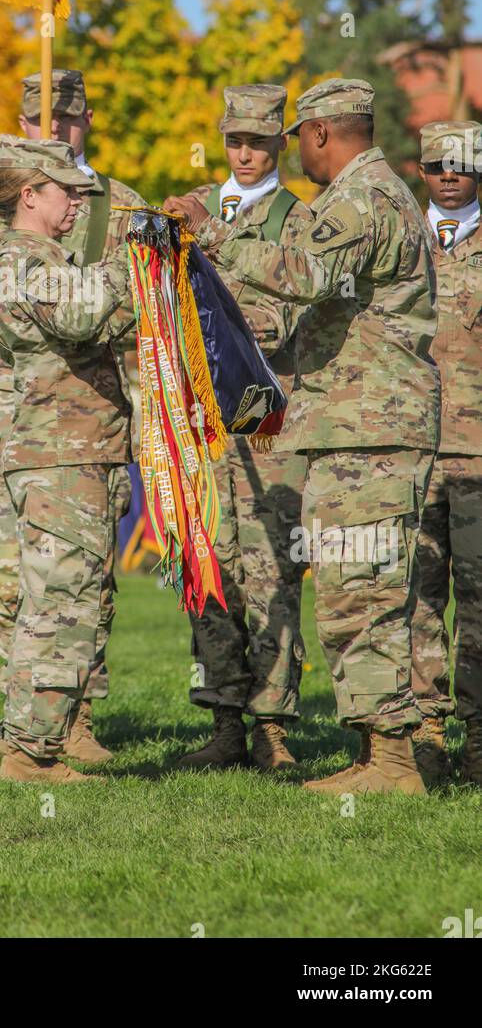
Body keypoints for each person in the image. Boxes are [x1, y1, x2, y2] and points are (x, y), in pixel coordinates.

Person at [166, 79, 440, 795]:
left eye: (293, 138)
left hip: (370, 433)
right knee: (360, 593)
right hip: (364, 430)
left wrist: (213, 232)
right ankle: (379, 754)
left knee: (363, 596)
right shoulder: (382, 192)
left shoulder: (359, 197)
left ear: (318, 133)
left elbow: (303, 273)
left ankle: (391, 762)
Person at [0, 69, 145, 764]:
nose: (77, 202)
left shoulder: (43, 251)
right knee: (57, 598)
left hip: (80, 438)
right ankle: (33, 750)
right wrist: (133, 264)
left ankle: (46, 736)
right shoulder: (25, 255)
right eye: (65, 191)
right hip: (57, 445)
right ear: (30, 194)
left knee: (66, 593)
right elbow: (78, 311)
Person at [171, 85, 312, 772]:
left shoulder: (297, 218)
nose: (247, 153)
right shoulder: (188, 208)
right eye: (236, 140)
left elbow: (296, 315)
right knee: (207, 567)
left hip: (264, 414)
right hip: (198, 414)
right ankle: (223, 720)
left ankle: (273, 727)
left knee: (271, 569)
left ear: (281, 142)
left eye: (259, 140)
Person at [411, 120, 482, 785]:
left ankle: (480, 744)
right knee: (415, 600)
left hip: (480, 459)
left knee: (481, 606)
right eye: (437, 164)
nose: (450, 174)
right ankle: (423, 740)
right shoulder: (398, 241)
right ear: (420, 169)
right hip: (410, 454)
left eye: (462, 164)